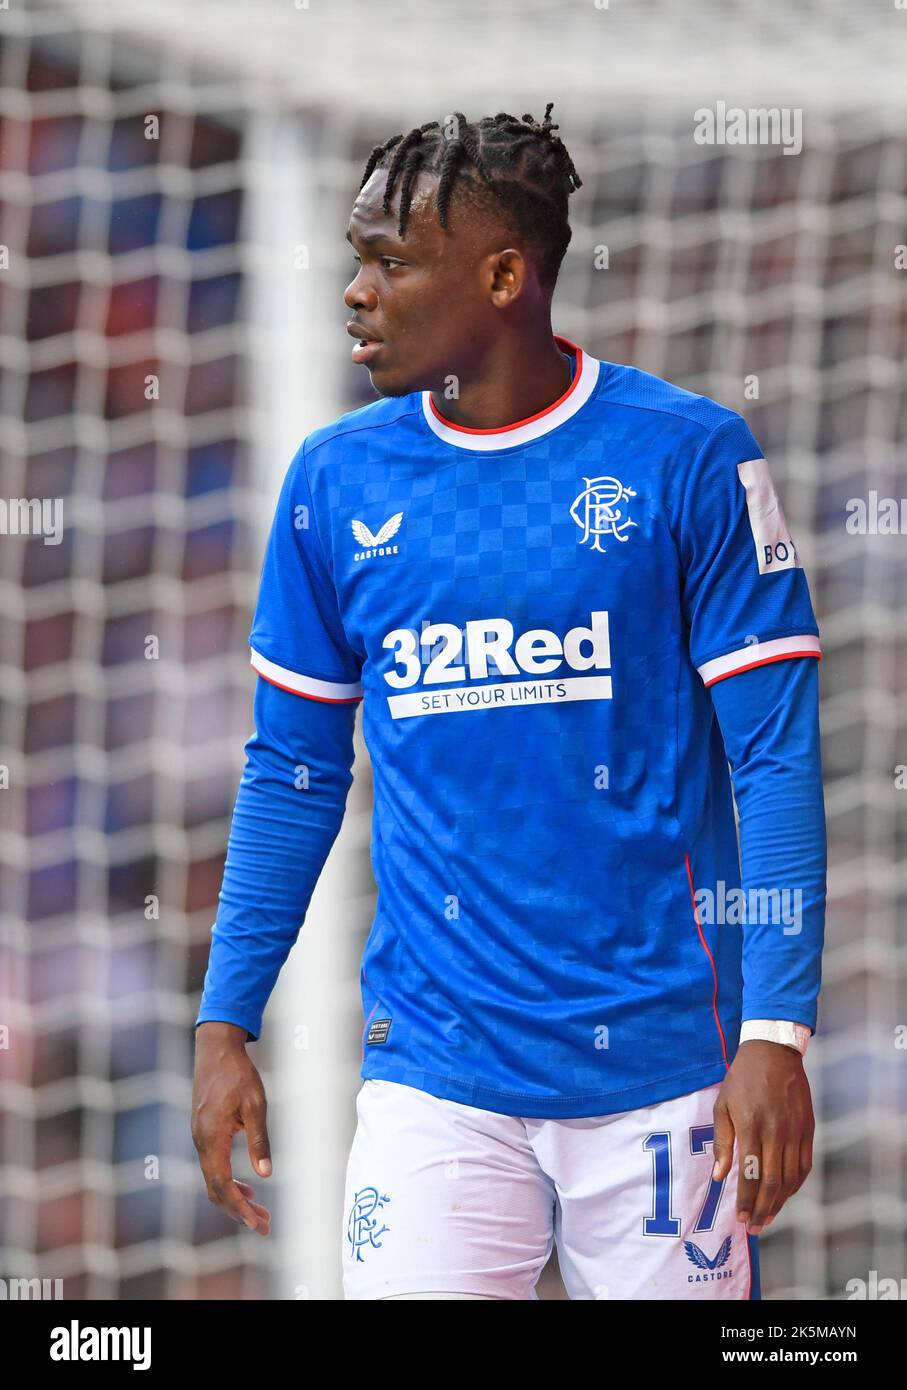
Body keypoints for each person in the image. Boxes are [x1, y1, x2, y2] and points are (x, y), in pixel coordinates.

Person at [191, 104, 826, 1300]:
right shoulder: (336, 483)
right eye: (355, 259)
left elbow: (775, 760)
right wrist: (225, 1017)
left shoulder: (684, 458)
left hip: (662, 1069)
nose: (354, 292)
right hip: (435, 1073)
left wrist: (775, 1032)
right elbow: (292, 769)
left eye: (389, 263)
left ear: (501, 275)